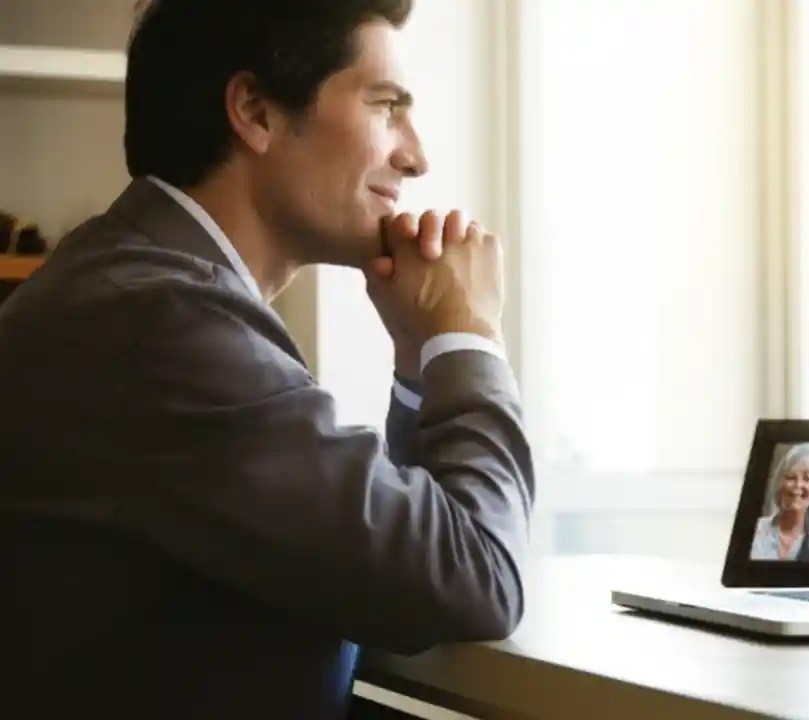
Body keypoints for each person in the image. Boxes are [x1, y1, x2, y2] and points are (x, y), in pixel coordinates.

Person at [0, 1, 533, 717]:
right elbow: (475, 578)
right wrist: (467, 335)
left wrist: (419, 354)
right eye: (385, 107)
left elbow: (391, 573)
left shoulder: (134, 285)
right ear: (254, 110)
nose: (416, 155)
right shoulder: (160, 323)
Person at [749, 444, 809, 562]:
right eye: (791, 477)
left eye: (807, 478)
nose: (798, 485)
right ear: (781, 482)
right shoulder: (757, 531)